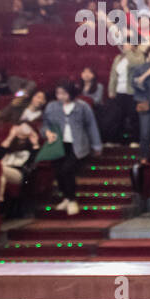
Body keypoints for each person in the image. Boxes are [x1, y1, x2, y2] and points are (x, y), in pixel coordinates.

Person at [42, 81, 103, 216]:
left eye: (64, 93)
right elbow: (45, 125)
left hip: (77, 145)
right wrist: (47, 133)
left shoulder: (82, 107)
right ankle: (66, 197)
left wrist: (96, 145)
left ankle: (72, 199)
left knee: (67, 170)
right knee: (58, 173)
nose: (61, 96)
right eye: (58, 93)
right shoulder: (51, 107)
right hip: (57, 144)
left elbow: (91, 126)